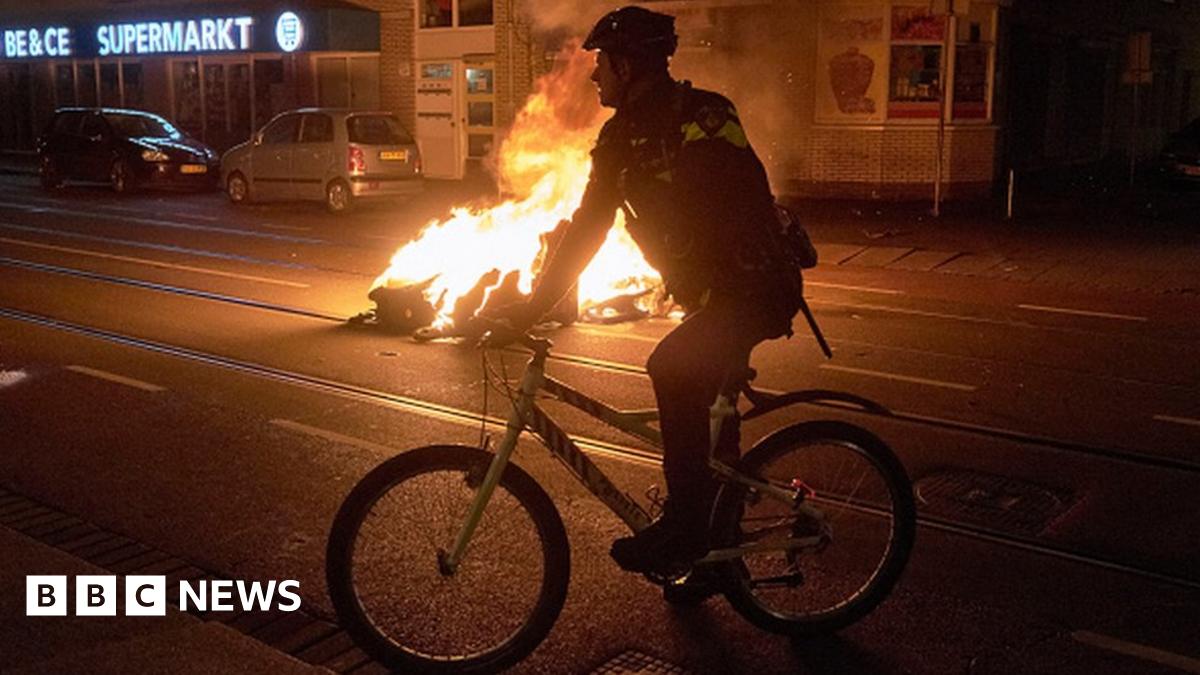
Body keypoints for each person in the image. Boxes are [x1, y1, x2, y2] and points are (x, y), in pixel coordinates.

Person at [503, 6, 804, 576]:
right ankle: (718, 558)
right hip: (714, 295)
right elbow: (588, 228)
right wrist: (533, 305)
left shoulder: (706, 116)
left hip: (755, 285)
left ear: (627, 63)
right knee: (714, 421)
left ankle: (688, 530)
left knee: (671, 367)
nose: (594, 76)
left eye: (601, 64)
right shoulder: (620, 138)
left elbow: (738, 204)